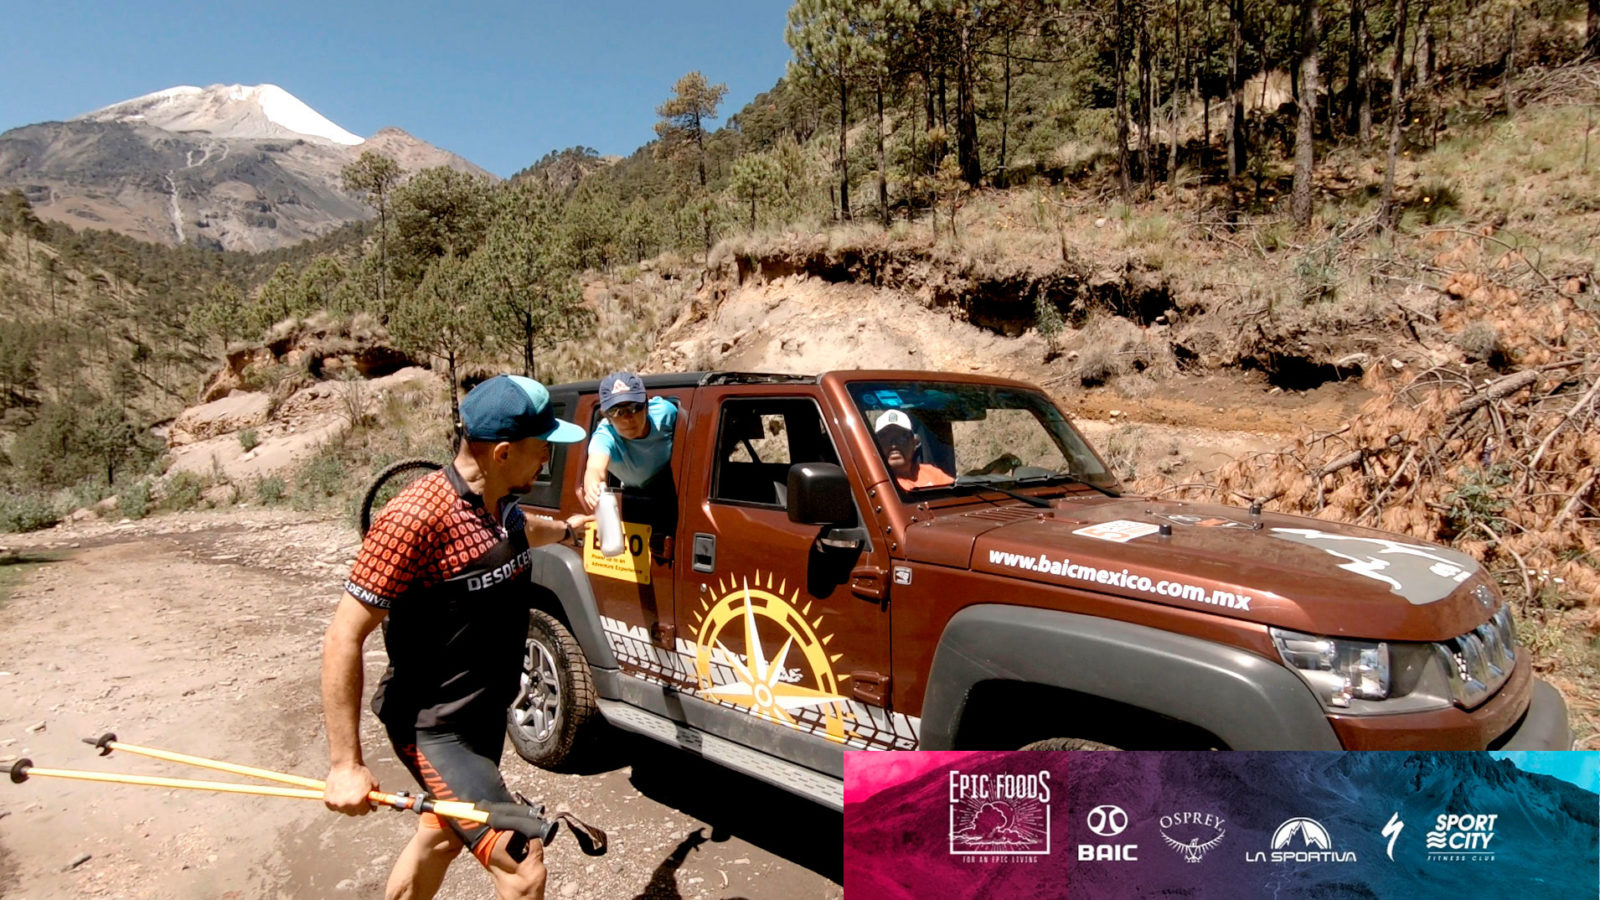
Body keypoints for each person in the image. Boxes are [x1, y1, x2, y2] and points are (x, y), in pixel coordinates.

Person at [321, 375, 591, 900]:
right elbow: (342, 637)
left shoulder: (501, 501)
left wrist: (568, 530)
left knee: (442, 837)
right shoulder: (415, 518)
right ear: (504, 452)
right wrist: (345, 765)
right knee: (522, 868)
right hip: (435, 730)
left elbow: (517, 533)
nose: (547, 462)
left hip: (484, 719)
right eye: (543, 450)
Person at [578, 371, 677, 511]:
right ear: (607, 417)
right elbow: (595, 468)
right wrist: (593, 486)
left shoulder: (666, 413)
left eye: (634, 408)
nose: (627, 418)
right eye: (616, 411)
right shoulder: (605, 436)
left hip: (675, 489)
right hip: (638, 500)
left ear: (646, 407)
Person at [874, 409, 955, 491]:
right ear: (876, 446)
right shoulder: (876, 482)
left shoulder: (932, 473)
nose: (894, 445)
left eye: (901, 438)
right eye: (885, 439)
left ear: (914, 443)